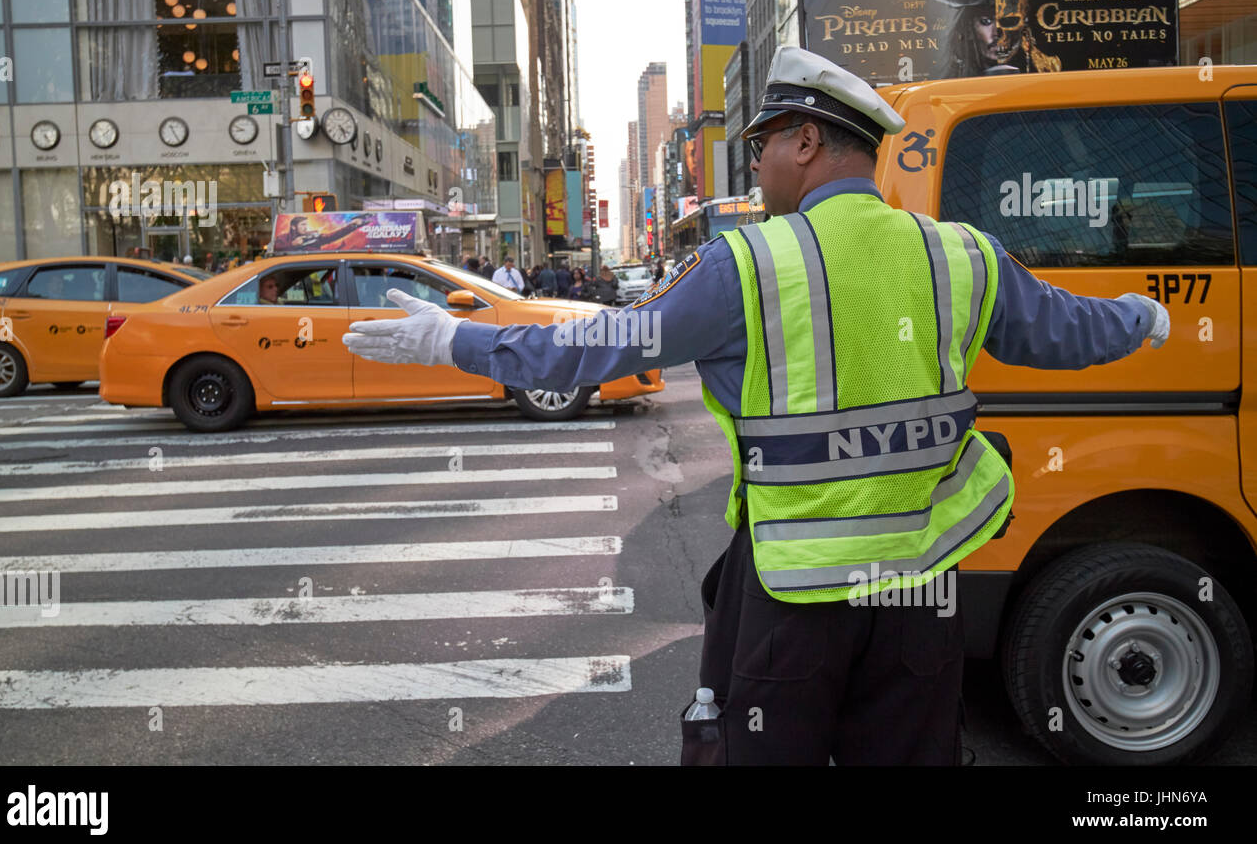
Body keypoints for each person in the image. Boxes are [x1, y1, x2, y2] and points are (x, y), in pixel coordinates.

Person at [343, 46, 1171, 765]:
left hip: (792, 600)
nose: (758, 164)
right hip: (921, 596)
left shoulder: (749, 263)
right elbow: (1070, 331)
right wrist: (1144, 316)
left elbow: (605, 344)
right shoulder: (958, 252)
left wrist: (458, 341)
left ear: (806, 142)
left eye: (764, 143)